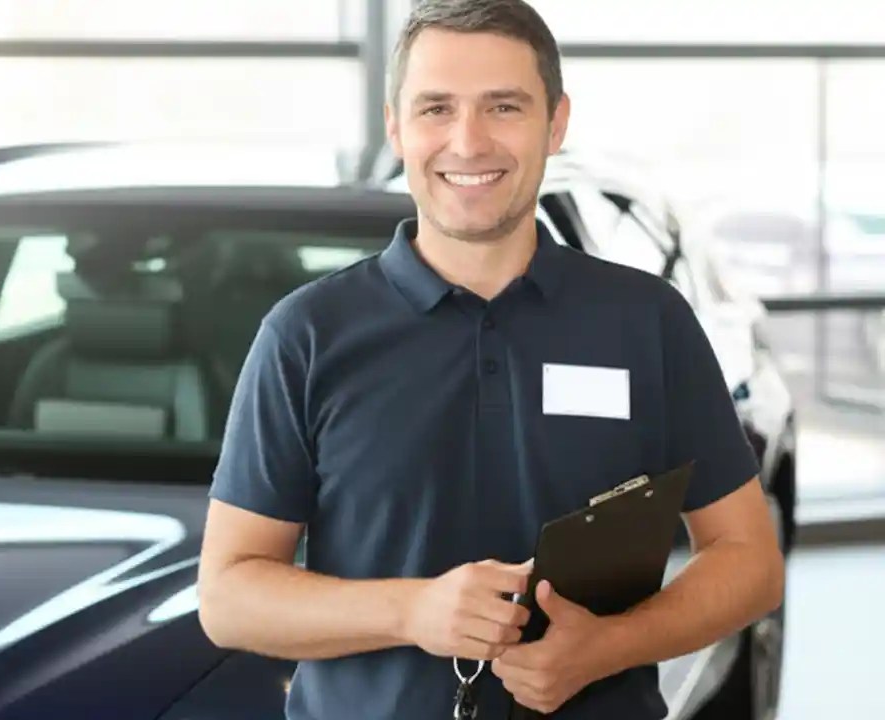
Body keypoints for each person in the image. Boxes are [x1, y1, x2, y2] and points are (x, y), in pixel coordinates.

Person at [196, 0, 786, 717]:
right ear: (396, 127)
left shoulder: (647, 321)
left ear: (555, 122)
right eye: (436, 108)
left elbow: (748, 561)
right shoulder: (308, 334)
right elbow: (227, 597)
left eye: (503, 107)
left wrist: (609, 646)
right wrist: (412, 611)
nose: (468, 142)